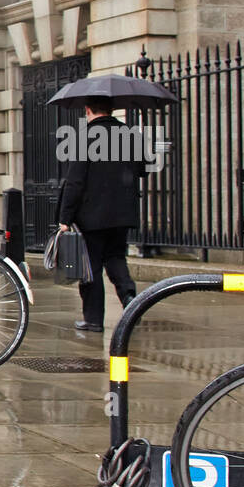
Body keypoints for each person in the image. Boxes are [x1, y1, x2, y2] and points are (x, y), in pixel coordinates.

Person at [57, 96, 146, 333]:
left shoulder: (84, 137)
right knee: (116, 258)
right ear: (111, 109)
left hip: (91, 214)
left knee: (91, 266)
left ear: (88, 110)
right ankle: (130, 300)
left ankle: (94, 319)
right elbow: (141, 170)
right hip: (122, 212)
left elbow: (75, 182)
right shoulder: (129, 134)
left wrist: (65, 218)